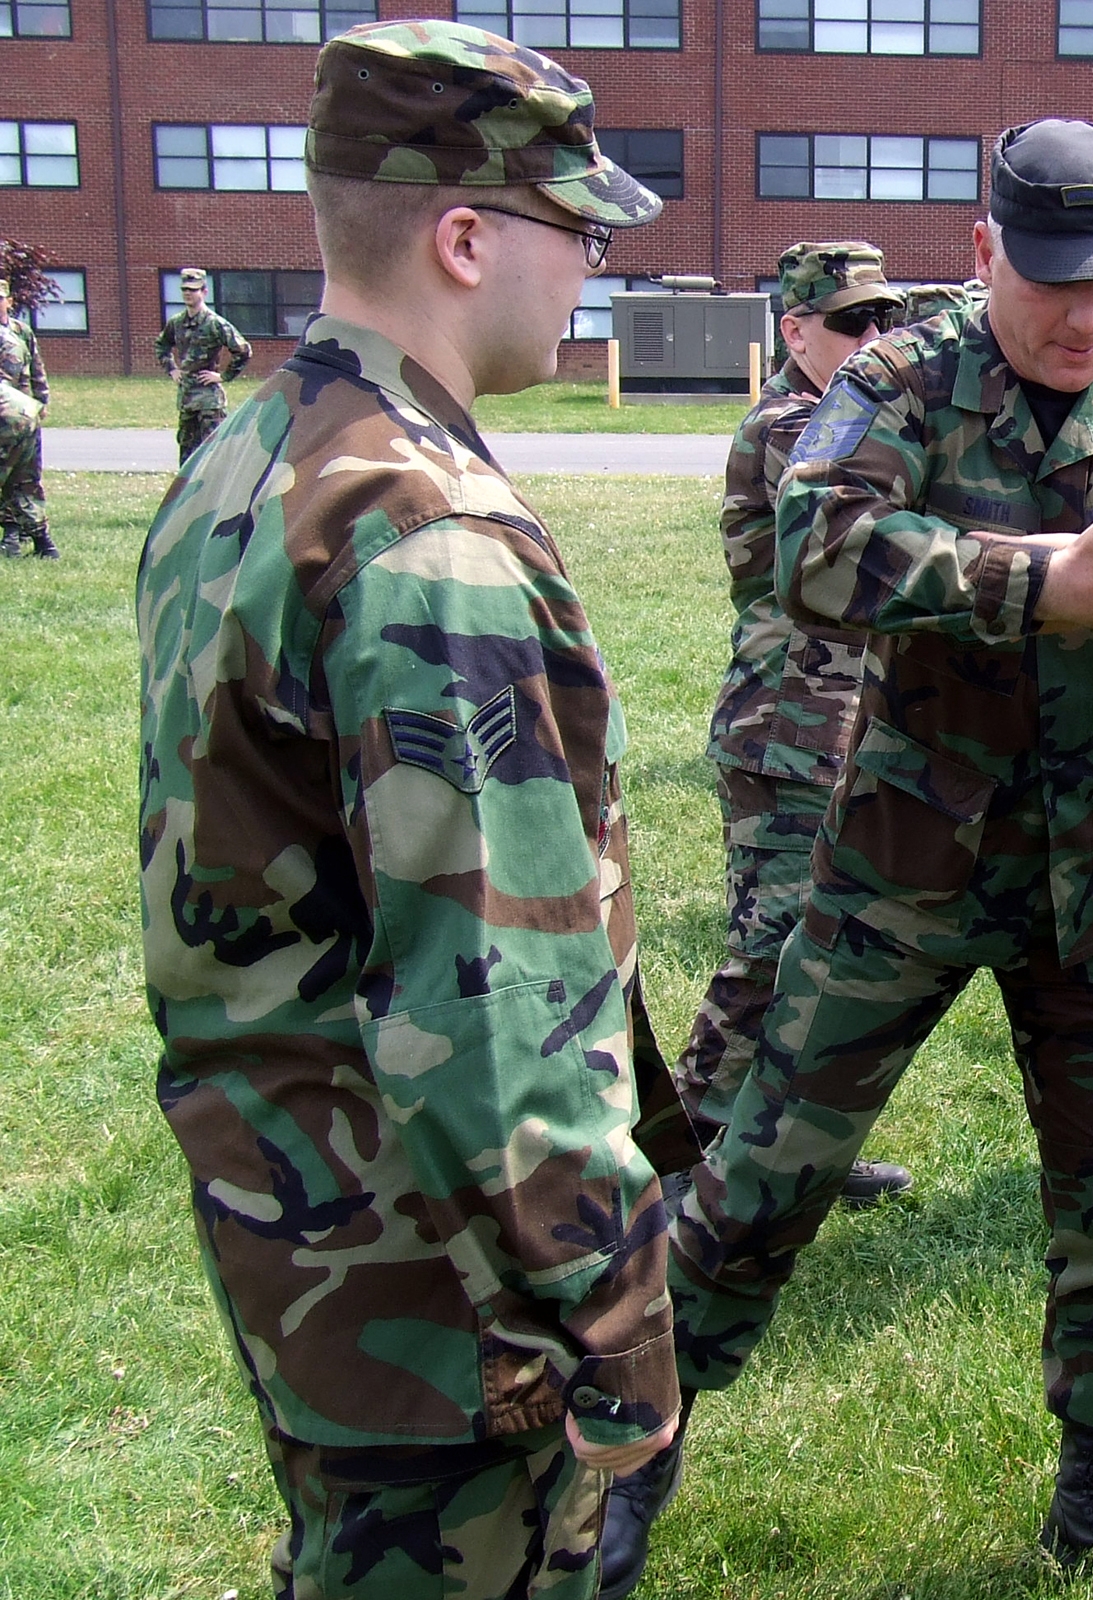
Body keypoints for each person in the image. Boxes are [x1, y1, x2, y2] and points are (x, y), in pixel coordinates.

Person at [659, 119, 1093, 1600]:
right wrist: (1044, 581)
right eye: (1054, 286)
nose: (1089, 320)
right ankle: (631, 1459)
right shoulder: (907, 376)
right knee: (768, 1169)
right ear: (984, 256)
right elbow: (815, 551)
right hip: (912, 858)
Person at [134, 22, 693, 1599]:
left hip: (294, 1217)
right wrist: (611, 1320)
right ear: (465, 238)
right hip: (439, 1289)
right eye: (574, 230)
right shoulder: (424, 529)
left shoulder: (249, 450)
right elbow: (491, 1001)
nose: (590, 264)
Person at [673, 240, 914, 1207]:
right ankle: (676, 1151)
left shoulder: (851, 411)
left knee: (833, 945)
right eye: (854, 322)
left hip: (848, 717)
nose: (875, 339)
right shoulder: (796, 426)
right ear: (795, 329)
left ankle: (793, 1139)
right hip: (791, 722)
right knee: (772, 941)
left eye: (885, 320)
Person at [155, 266, 252, 464]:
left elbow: (243, 350)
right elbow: (162, 345)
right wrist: (172, 369)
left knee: (214, 456)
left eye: (193, 289)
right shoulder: (176, 323)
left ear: (204, 292)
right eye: (185, 290)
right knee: (187, 459)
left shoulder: (215, 324)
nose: (188, 294)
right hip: (187, 400)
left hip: (209, 402)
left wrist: (223, 376)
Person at [0, 278, 54, 559]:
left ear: (9, 301)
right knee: (21, 481)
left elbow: (36, 370)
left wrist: (41, 400)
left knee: (20, 479)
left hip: (13, 413)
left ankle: (19, 537)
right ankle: (35, 541)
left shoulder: (21, 332)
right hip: (19, 411)